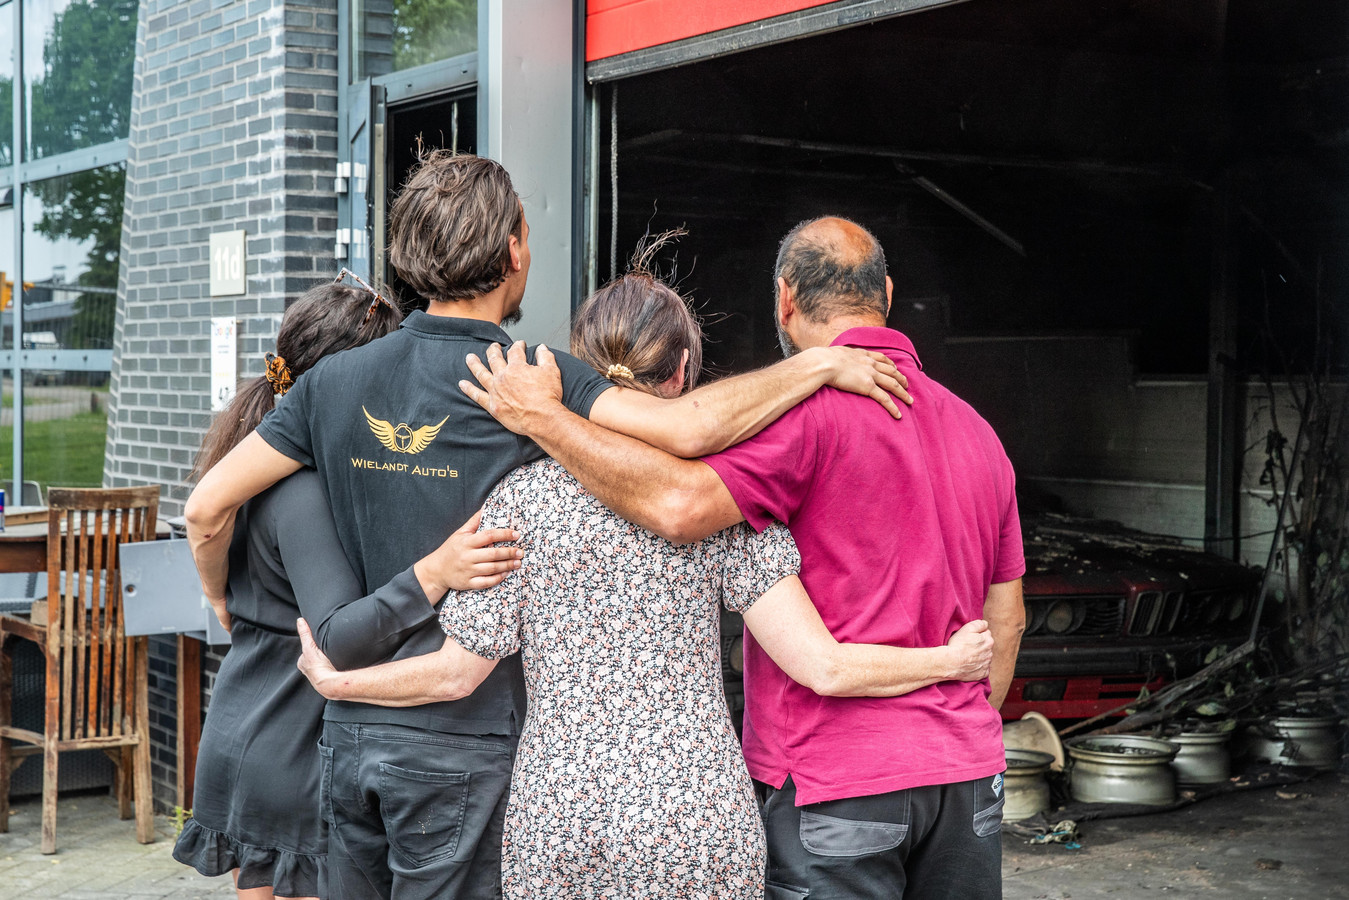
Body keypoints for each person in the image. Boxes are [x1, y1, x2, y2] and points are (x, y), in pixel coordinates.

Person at [184, 154, 912, 900]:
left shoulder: (329, 384)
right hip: (464, 746)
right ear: (512, 253)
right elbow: (686, 432)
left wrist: (223, 604)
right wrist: (816, 367)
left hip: (348, 735)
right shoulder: (529, 378)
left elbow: (206, 507)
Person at [293, 244, 998, 899]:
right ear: (684, 373)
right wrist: (948, 661)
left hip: (560, 822)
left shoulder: (520, 504)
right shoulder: (726, 507)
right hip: (697, 823)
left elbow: (454, 673)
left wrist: (341, 682)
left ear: (575, 368)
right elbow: (824, 667)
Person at [174, 276, 516, 899]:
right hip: (291, 740)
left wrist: (216, 592)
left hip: (247, 719)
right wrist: (434, 573)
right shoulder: (301, 489)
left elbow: (203, 517)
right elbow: (336, 637)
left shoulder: (245, 462)